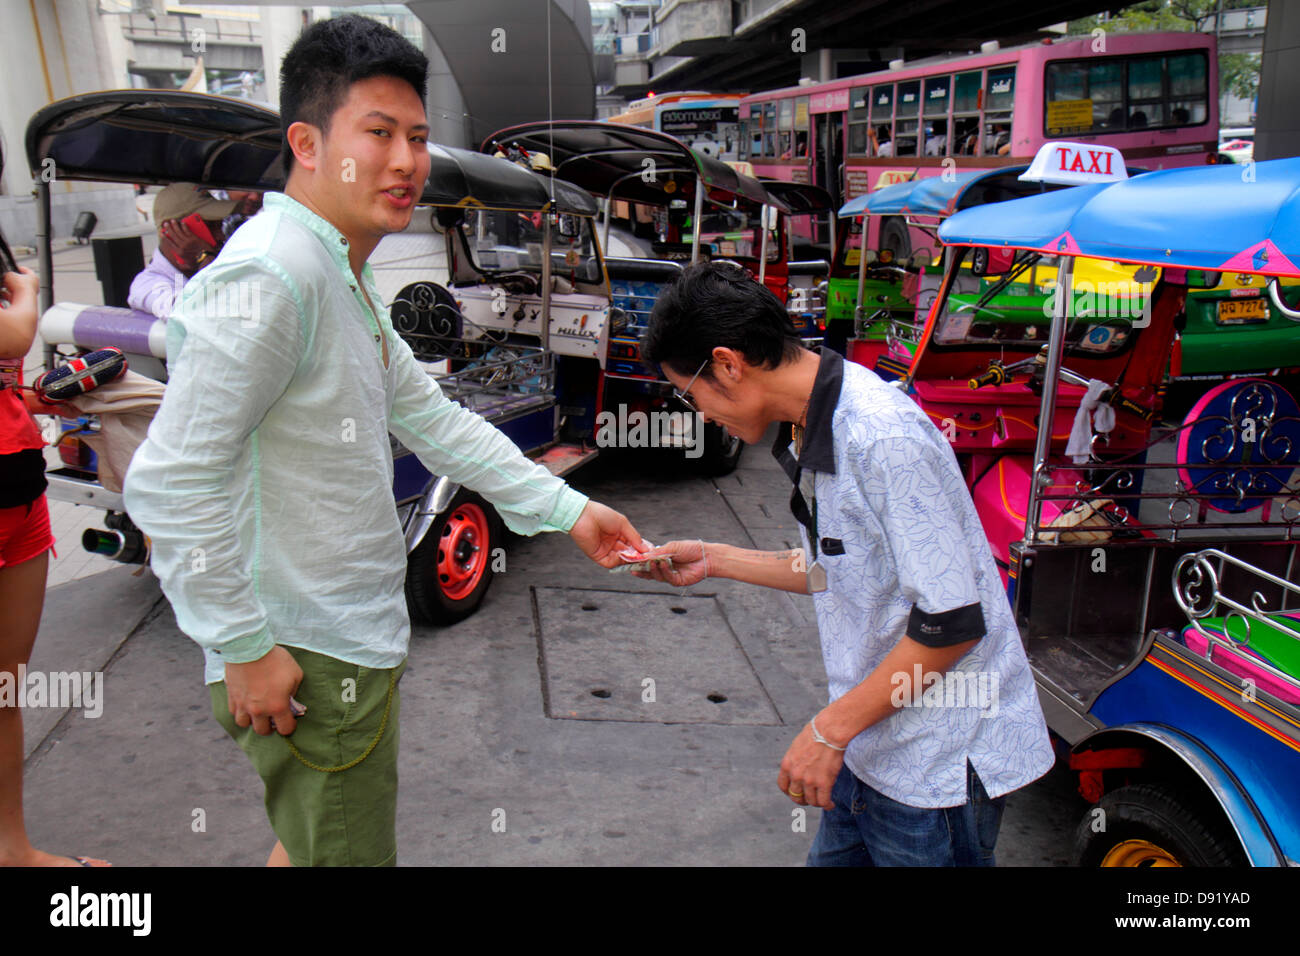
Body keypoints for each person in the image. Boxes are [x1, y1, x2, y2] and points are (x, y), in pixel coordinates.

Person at [123, 14, 647, 868]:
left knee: (310, 845)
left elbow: (432, 419)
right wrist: (247, 648)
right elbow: (171, 482)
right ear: (306, 141)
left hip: (343, 643)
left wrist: (566, 508)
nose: (407, 161)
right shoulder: (275, 274)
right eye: (378, 133)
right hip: (308, 657)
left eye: (417, 136)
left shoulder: (335, 268)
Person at [634, 262, 1053, 866]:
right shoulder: (811, 421)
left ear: (727, 364)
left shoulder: (881, 438)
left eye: (687, 390)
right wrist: (713, 558)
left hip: (936, 766)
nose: (697, 411)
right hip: (873, 743)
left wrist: (828, 730)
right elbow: (838, 567)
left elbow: (952, 624)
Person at [0, 228, 110, 868]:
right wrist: (29, 294)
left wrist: (31, 394)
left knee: (5, 690)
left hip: (18, 490)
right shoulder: (17, 287)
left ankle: (13, 850)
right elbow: (13, 334)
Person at [127, 183, 236, 319]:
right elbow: (199, 313)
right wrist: (204, 257)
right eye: (209, 226)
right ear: (170, 230)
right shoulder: (147, 286)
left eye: (220, 226)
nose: (220, 236)